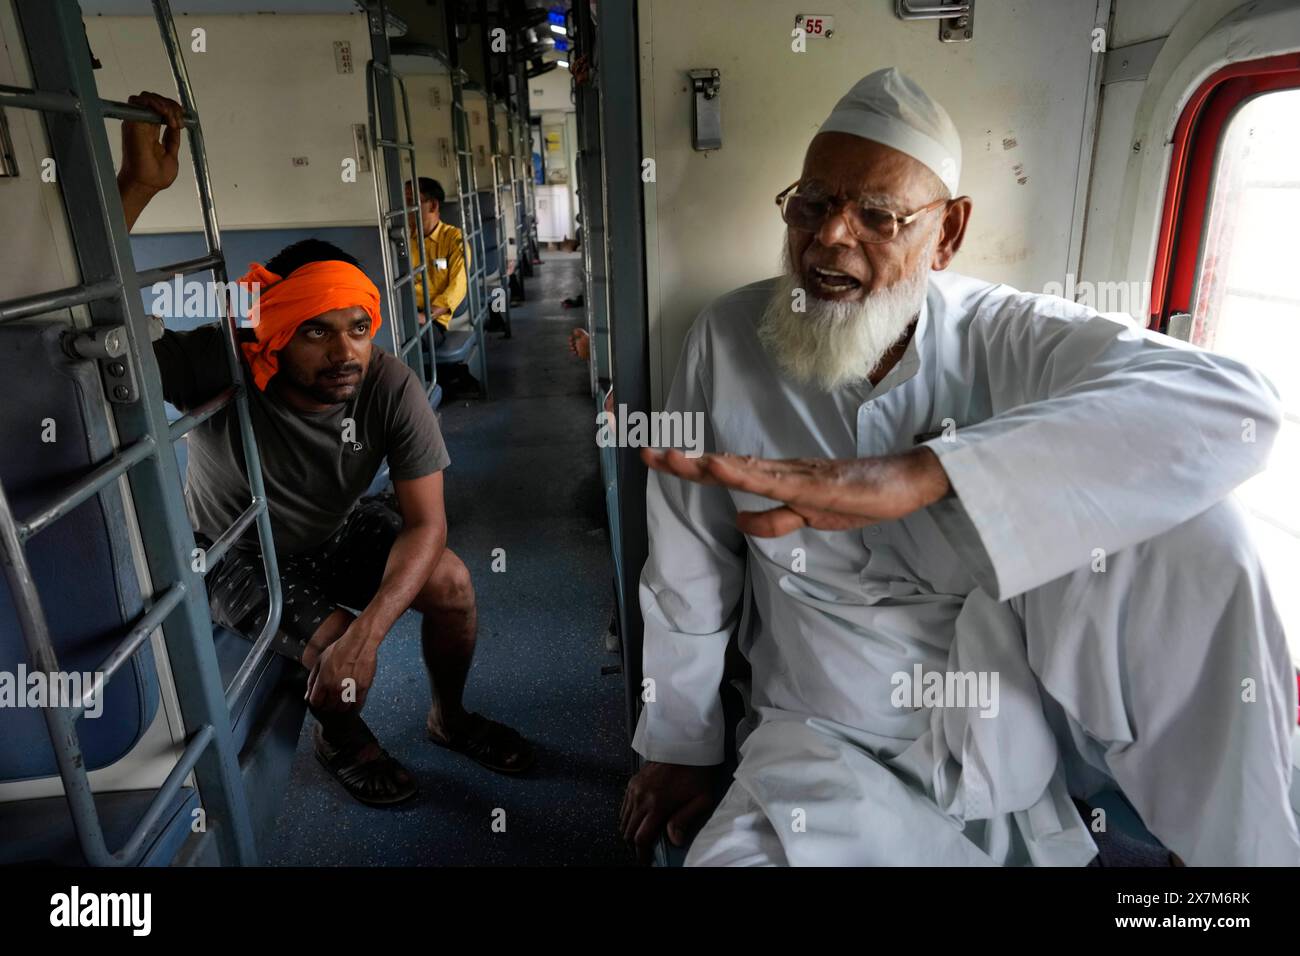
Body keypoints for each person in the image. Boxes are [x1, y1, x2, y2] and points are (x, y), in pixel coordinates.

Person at [620, 69, 1300, 866]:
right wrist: (680, 744)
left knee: (1199, 533)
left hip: (998, 712)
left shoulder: (1009, 337)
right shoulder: (730, 337)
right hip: (820, 722)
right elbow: (689, 561)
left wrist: (928, 474)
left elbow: (1233, 404)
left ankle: (1232, 861)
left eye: (878, 216)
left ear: (947, 235)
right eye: (812, 205)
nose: (831, 239)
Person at [119, 92, 535, 806]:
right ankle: (338, 735)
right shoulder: (218, 363)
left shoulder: (388, 383)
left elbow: (426, 524)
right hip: (238, 547)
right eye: (316, 331)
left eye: (358, 326)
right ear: (273, 336)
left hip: (337, 527)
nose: (346, 351)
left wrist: (370, 634)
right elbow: (100, 327)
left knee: (454, 586)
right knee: (334, 662)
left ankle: (449, 715)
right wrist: (136, 191)